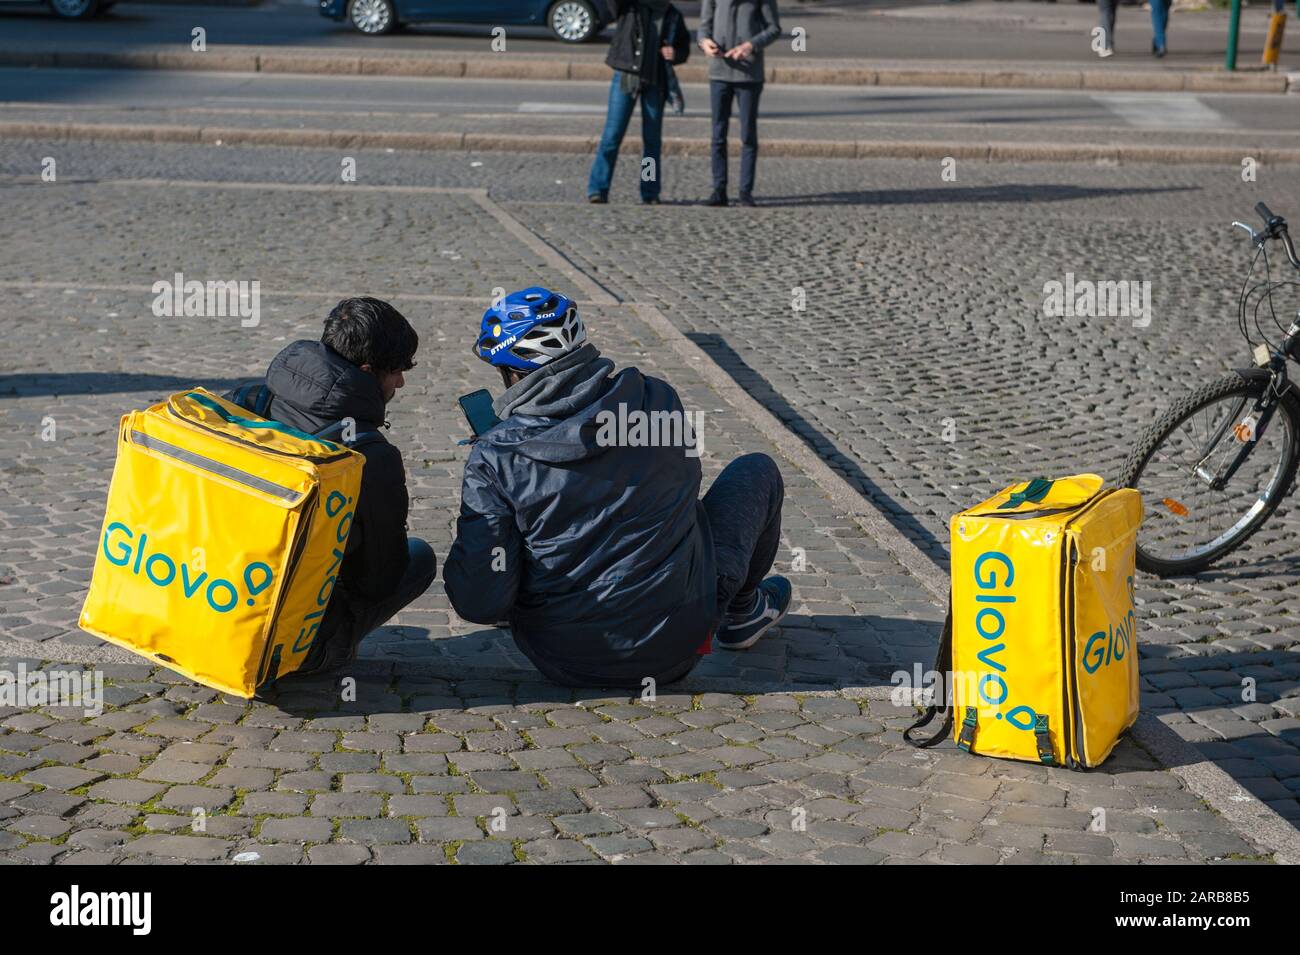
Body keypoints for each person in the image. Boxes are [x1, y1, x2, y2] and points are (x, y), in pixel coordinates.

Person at [444, 287, 791, 688]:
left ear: (512, 372)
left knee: (514, 541)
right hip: (681, 646)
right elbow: (687, 492)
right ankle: (743, 612)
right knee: (755, 470)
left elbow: (480, 601)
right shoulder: (657, 399)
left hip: (562, 657)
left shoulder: (496, 456)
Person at [228, 297, 435, 675]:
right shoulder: (368, 456)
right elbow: (379, 581)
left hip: (203, 599)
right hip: (279, 640)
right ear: (369, 371)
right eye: (398, 371)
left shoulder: (246, 401)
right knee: (418, 557)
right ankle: (318, 652)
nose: (402, 382)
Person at [587, 0, 690, 205]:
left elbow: (683, 47)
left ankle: (649, 191)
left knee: (651, 141)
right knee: (612, 135)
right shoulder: (630, 6)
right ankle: (598, 189)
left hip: (655, 79)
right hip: (626, 75)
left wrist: (676, 54)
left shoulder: (671, 14)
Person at [699, 0, 781, 207]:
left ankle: (745, 191)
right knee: (718, 134)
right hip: (719, 71)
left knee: (748, 135)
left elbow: (774, 28)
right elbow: (703, 26)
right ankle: (719, 189)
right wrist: (704, 42)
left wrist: (751, 45)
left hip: (748, 74)